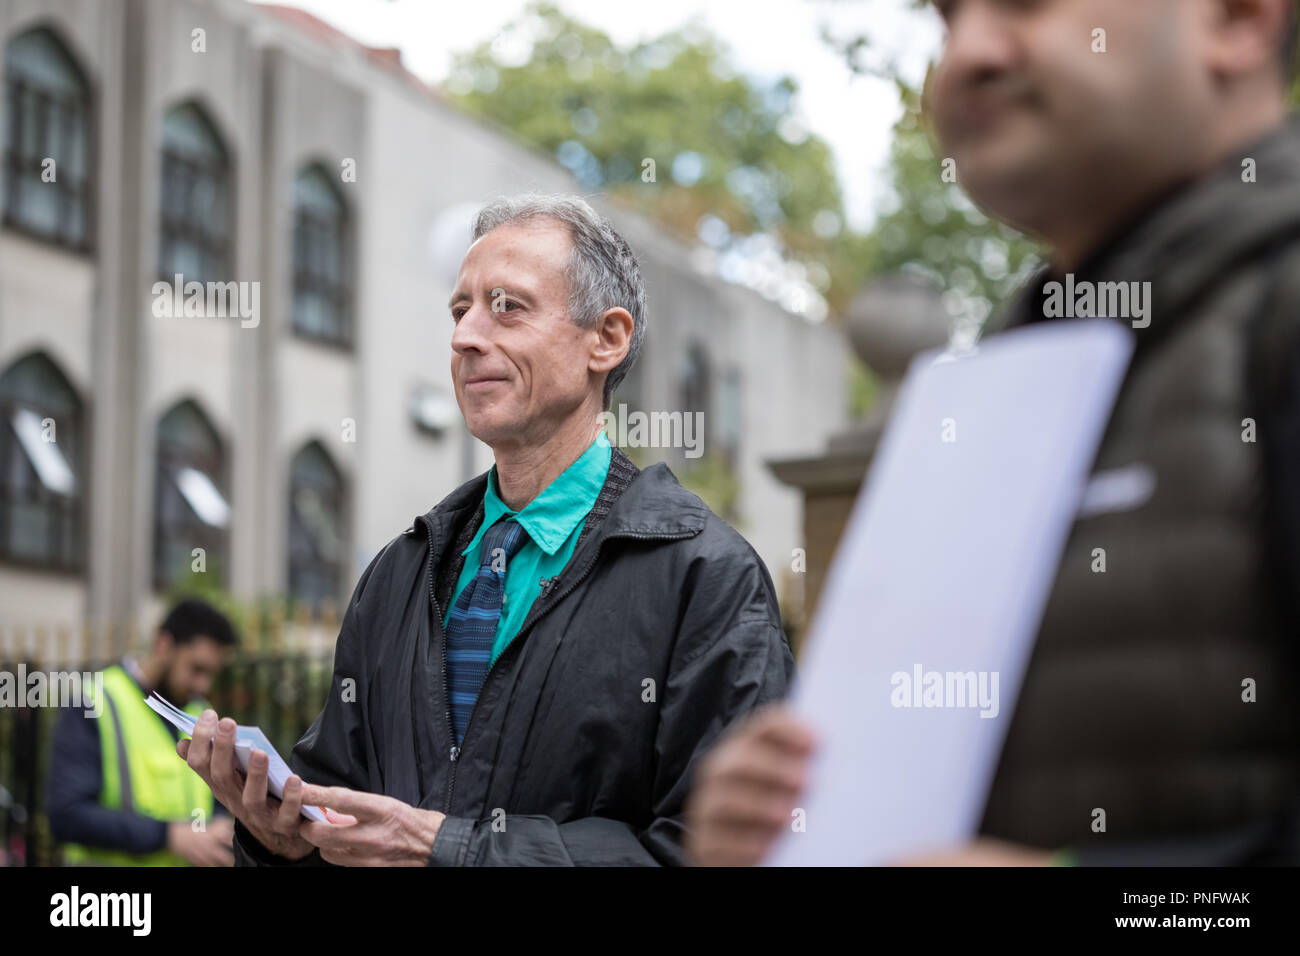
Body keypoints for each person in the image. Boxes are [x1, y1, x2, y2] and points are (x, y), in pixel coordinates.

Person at [686, 0, 1300, 866]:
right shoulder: (997, 387)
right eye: (947, 16)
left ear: (1238, 20)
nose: (965, 53)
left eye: (1022, 3)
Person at [182, 193, 795, 866]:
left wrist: (449, 849)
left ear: (607, 339)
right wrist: (278, 843)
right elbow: (342, 809)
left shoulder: (706, 578)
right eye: (460, 309)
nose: (466, 336)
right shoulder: (401, 572)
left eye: (507, 307)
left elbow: (723, 852)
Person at [48, 598, 239, 865]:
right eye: (196, 668)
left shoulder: (200, 712)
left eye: (211, 674)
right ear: (164, 645)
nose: (204, 684)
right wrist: (169, 835)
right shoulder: (95, 702)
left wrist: (220, 825)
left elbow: (213, 800)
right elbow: (68, 815)